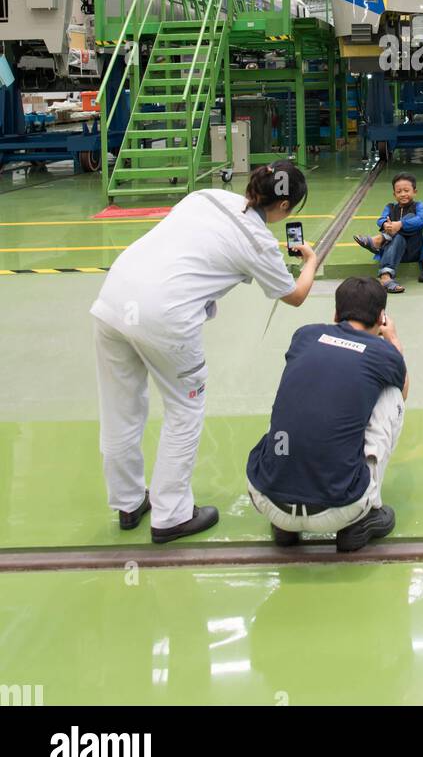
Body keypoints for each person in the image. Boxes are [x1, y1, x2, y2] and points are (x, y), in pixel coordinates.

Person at [92, 162, 316, 543]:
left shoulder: (206, 197)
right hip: (165, 317)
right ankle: (171, 515)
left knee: (120, 408)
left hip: (114, 298)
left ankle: (128, 503)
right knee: (184, 410)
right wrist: (310, 261)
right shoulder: (260, 243)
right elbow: (293, 296)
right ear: (283, 208)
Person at [246, 276, 408, 553]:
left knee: (300, 395)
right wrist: (393, 340)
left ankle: (285, 524)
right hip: (340, 509)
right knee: (390, 393)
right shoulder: (383, 352)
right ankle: (367, 513)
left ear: (335, 314)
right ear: (381, 317)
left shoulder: (305, 335)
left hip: (267, 499)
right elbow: (402, 391)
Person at [353, 172, 423, 294]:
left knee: (410, 217)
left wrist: (400, 224)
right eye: (399, 192)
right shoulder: (390, 207)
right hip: (394, 250)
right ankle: (385, 277)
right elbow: (381, 219)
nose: (403, 194)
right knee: (398, 237)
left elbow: (422, 221)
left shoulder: (418, 206)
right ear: (394, 194)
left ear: (415, 192)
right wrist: (385, 225)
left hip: (412, 250)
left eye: (406, 190)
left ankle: (379, 240)